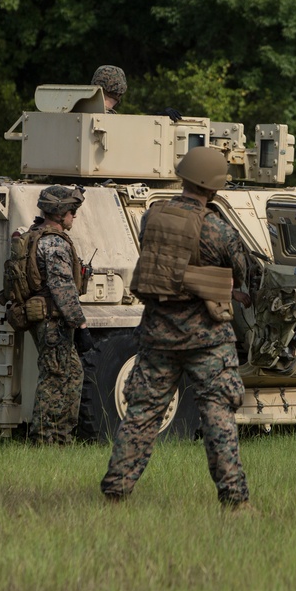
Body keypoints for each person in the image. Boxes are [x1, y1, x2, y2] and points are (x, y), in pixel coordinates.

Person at [101, 146, 253, 510]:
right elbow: (242, 270)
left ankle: (115, 494)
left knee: (141, 414)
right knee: (218, 416)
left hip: (157, 335)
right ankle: (235, 502)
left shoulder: (151, 218)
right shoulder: (218, 229)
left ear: (184, 176)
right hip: (208, 341)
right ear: (214, 186)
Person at [29, 185, 94, 445]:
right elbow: (63, 288)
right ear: (59, 213)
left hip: (49, 319)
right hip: (53, 322)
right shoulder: (54, 244)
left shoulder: (36, 234)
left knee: (72, 374)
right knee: (55, 377)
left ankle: (61, 438)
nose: (74, 216)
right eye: (71, 211)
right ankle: (45, 440)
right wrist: (81, 326)